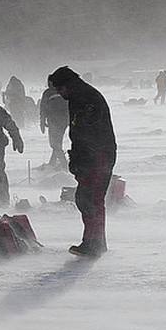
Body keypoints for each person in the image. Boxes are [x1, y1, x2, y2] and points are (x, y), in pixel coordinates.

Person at [48, 66, 117, 257]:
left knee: (91, 199)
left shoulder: (88, 98)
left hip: (98, 154)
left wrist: (83, 156)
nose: (59, 93)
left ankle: (94, 244)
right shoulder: (77, 97)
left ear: (68, 84)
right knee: (84, 198)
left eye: (60, 89)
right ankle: (95, 242)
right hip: (88, 154)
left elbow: (90, 132)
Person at [39, 85, 70, 170]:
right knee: (57, 142)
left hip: (54, 120)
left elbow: (43, 107)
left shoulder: (48, 92)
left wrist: (42, 120)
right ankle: (53, 162)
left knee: (54, 143)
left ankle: (63, 163)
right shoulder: (65, 90)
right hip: (63, 121)